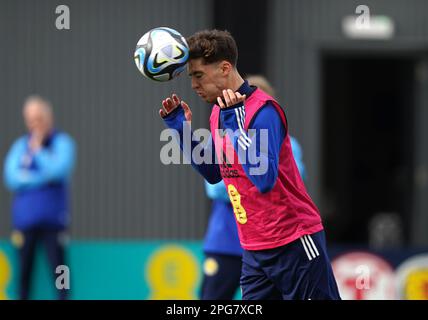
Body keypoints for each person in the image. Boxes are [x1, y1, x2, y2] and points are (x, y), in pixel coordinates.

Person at [159, 29, 340, 300]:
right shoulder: (221, 111)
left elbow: (264, 179)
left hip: (293, 241)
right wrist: (180, 130)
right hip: (254, 248)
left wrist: (234, 126)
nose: (194, 85)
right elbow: (213, 174)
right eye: (191, 77)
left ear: (224, 68)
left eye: (198, 75)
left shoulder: (263, 111)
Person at [200, 75, 307, 300]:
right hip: (227, 241)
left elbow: (292, 184)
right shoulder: (225, 136)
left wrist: (245, 179)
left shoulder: (288, 143)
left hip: (273, 240)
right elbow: (214, 187)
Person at [3, 95, 76, 300]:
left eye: (38, 118)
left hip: (54, 223)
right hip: (25, 224)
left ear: (48, 118)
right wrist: (41, 177)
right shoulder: (20, 146)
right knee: (24, 275)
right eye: (30, 119)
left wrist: (38, 152)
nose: (35, 123)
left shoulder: (62, 142)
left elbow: (58, 170)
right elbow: (12, 177)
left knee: (61, 274)